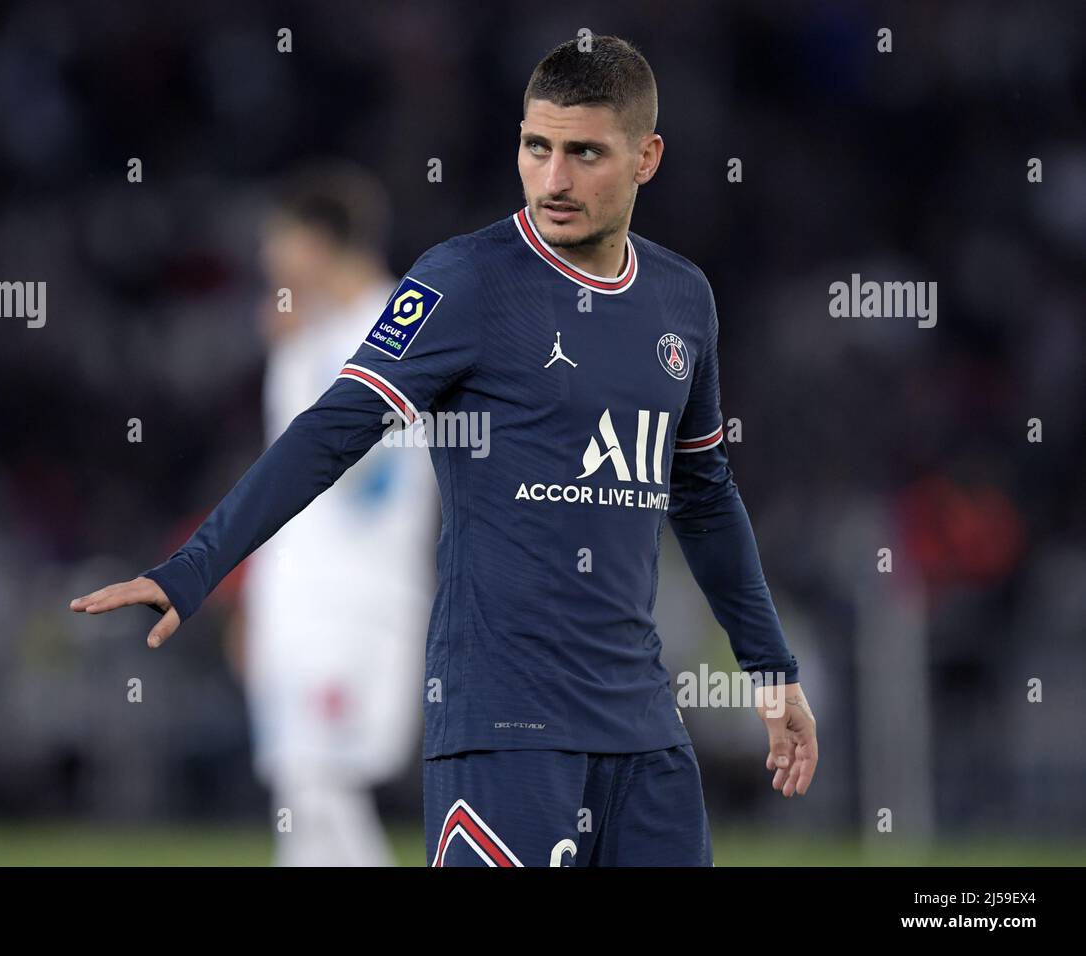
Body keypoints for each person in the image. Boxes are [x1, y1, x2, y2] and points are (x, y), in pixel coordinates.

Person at [71, 35, 818, 867]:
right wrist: (193, 569)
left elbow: (706, 497)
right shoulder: (465, 281)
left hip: (643, 733)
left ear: (647, 157)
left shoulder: (682, 299)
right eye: (537, 147)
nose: (555, 179)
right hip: (504, 730)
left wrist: (770, 669)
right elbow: (327, 433)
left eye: (585, 153)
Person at [239, 164, 436, 865]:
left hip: (358, 603)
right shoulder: (305, 342)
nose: (269, 264)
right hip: (298, 601)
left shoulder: (398, 328)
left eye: (280, 244)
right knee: (301, 795)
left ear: (318, 244)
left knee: (317, 784)